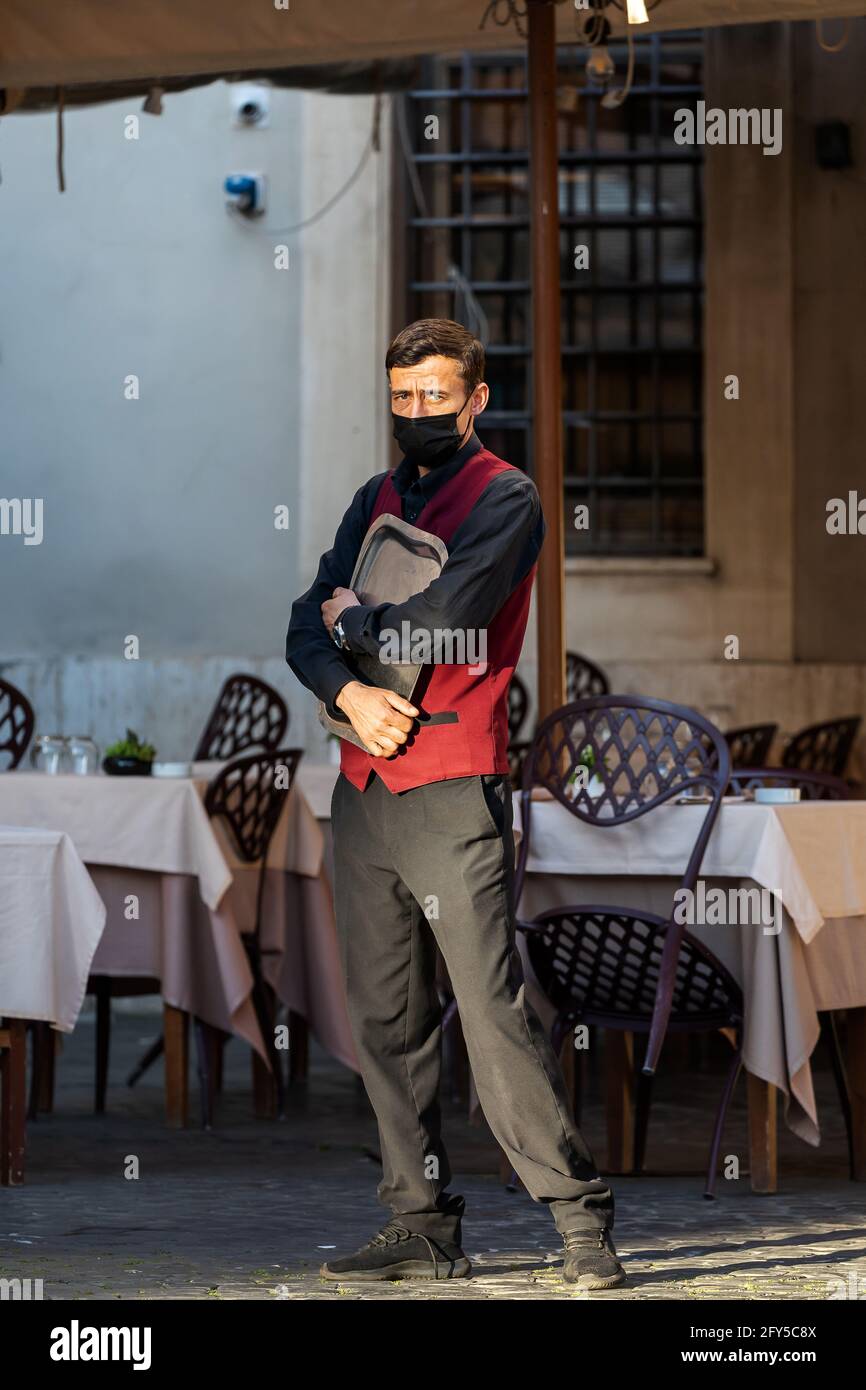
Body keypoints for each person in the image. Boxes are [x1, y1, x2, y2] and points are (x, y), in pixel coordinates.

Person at [286, 318, 625, 1289]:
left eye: (435, 395)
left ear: (475, 398)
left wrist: (355, 628)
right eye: (402, 398)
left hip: (451, 792)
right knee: (383, 1024)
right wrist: (348, 693)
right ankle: (420, 1224)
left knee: (489, 1014)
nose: (416, 413)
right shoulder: (374, 498)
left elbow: (442, 629)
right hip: (363, 789)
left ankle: (579, 1225)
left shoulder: (506, 497)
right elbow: (297, 628)